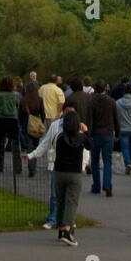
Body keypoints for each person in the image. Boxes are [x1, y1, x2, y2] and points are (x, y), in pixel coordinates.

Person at [26, 105, 89, 246]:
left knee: (59, 200)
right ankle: (67, 228)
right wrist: (86, 132)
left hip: (59, 171)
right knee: (71, 201)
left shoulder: (59, 138)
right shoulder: (80, 138)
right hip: (74, 173)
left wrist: (33, 155)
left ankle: (60, 226)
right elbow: (89, 146)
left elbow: (48, 145)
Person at [88, 79, 120, 195]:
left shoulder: (91, 102)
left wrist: (88, 135)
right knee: (107, 161)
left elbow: (89, 120)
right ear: (105, 88)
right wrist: (117, 132)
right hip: (107, 133)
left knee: (95, 161)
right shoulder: (111, 102)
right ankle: (107, 184)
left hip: (96, 134)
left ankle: (96, 186)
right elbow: (116, 118)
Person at [0, 75, 22, 175]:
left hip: (1, 119)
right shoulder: (15, 95)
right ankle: (17, 167)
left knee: (0, 143)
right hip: (12, 120)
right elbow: (17, 105)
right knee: (15, 144)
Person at [19, 81, 46, 178]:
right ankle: (33, 165)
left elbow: (20, 115)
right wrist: (41, 122)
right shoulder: (39, 100)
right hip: (36, 126)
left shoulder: (23, 100)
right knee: (35, 146)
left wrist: (21, 125)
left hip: (27, 126)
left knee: (29, 147)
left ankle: (31, 168)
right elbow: (43, 114)